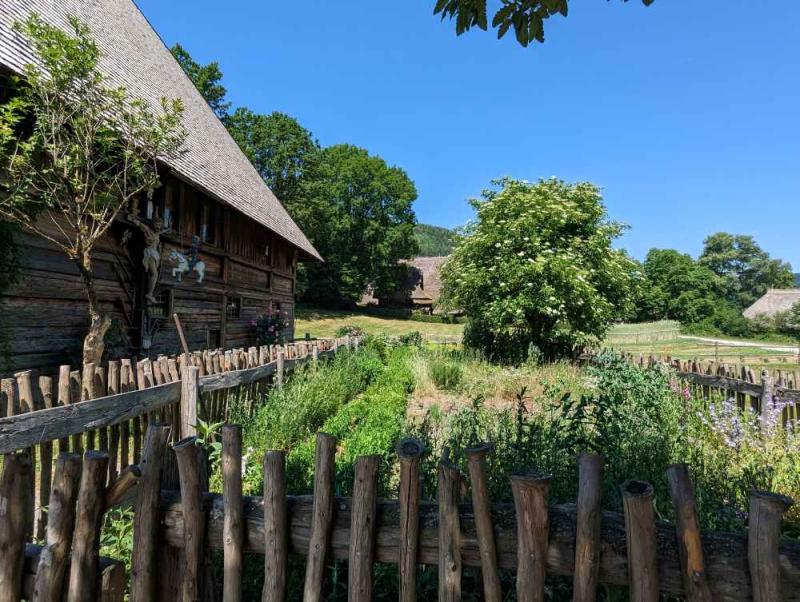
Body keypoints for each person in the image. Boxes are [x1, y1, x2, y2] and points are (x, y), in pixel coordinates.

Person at [129, 211, 171, 304]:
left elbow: (162, 232)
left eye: (160, 224)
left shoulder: (157, 234)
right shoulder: (148, 230)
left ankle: (150, 293)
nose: (158, 226)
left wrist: (168, 229)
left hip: (155, 254)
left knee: (154, 275)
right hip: (150, 253)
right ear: (153, 224)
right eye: (157, 224)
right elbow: (140, 224)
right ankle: (149, 294)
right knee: (154, 274)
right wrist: (133, 219)